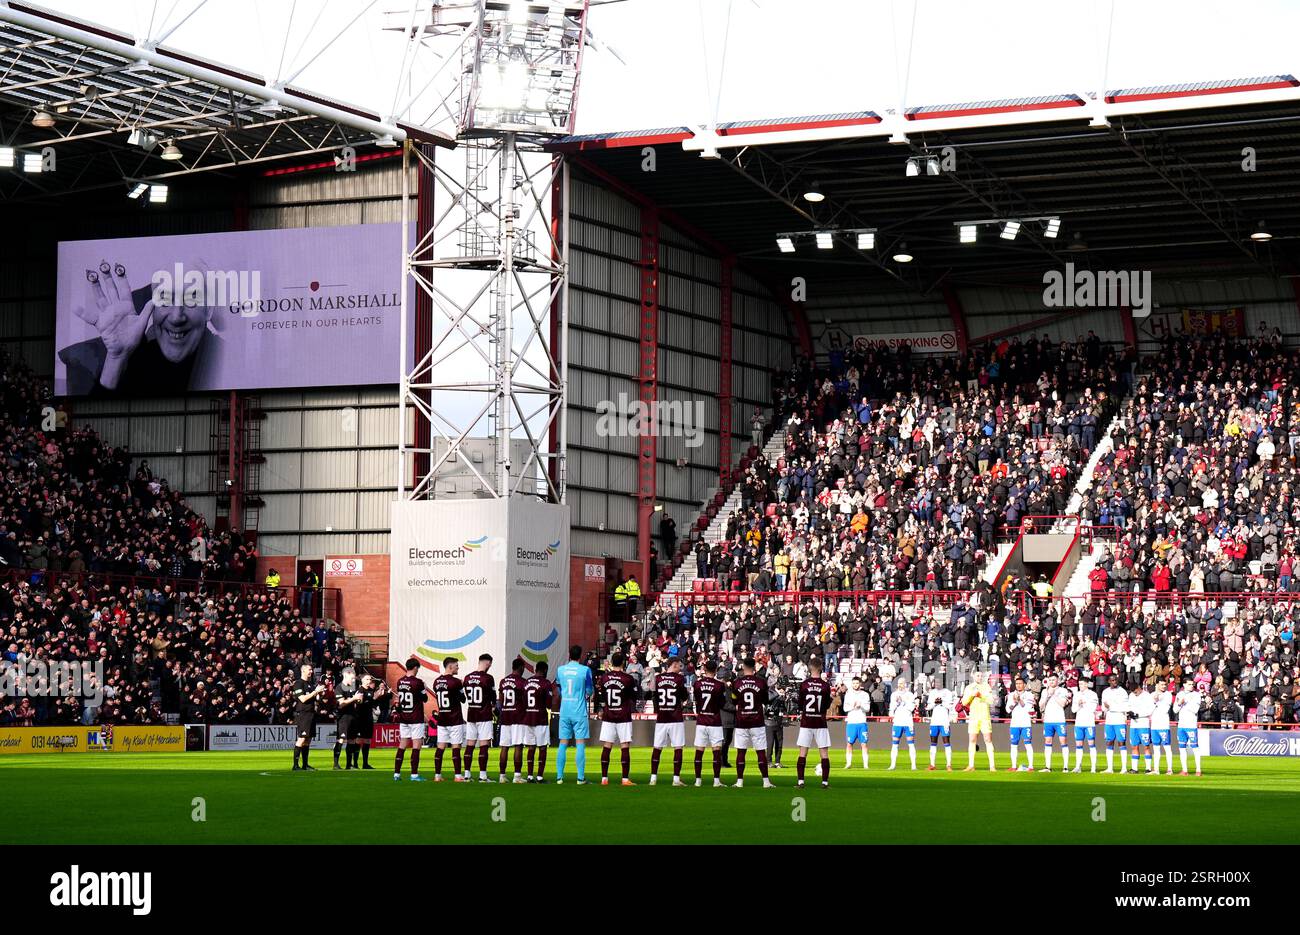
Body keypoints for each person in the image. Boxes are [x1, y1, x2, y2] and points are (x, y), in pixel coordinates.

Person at [596, 651, 638, 786]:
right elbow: (634, 697)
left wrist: (601, 708)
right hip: (623, 716)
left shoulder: (604, 678)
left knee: (607, 746)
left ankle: (604, 778)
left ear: (612, 662)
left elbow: (600, 695)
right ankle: (625, 779)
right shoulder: (628, 679)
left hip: (608, 715)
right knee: (624, 746)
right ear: (623, 663)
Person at [731, 658, 773, 788]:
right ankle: (766, 782)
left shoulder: (736, 682)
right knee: (761, 752)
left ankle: (739, 782)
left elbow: (733, 701)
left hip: (741, 721)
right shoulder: (761, 682)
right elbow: (766, 700)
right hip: (757, 721)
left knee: (741, 752)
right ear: (754, 667)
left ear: (743, 667)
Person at [554, 645, 593, 784]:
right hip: (579, 711)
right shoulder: (585, 670)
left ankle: (559, 777)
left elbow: (558, 689)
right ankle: (580, 778)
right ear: (580, 655)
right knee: (580, 743)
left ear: (569, 654)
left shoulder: (560, 670)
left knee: (563, 743)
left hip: (565, 711)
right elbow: (589, 691)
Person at [649, 657, 687, 786]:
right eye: (679, 665)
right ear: (674, 665)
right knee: (678, 748)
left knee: (657, 748)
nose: (680, 668)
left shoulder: (658, 678)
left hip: (662, 717)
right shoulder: (679, 679)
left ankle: (653, 778)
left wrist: (658, 709)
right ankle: (676, 779)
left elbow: (653, 695)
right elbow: (684, 696)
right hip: (675, 717)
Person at [795, 658, 832, 789]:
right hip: (820, 722)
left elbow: (800, 704)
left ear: (809, 669)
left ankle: (800, 782)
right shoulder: (825, 685)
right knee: (824, 754)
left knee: (803, 753)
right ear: (821, 667)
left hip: (806, 722)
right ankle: (825, 782)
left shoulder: (804, 685)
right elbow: (827, 704)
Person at [691, 659, 726, 787]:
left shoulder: (697, 684)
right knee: (716, 751)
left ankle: (698, 781)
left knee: (699, 751)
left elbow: (696, 699)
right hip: (715, 721)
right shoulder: (719, 685)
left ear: (704, 669)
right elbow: (722, 703)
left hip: (701, 721)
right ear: (716, 670)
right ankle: (716, 781)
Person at [392, 657, 428, 782]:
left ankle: (396, 774)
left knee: (402, 745)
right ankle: (414, 774)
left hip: (404, 717)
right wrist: (424, 687)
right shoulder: (418, 682)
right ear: (415, 668)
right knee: (416, 746)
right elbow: (425, 698)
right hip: (416, 717)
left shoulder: (400, 681)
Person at [461, 653, 495, 783]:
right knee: (483, 745)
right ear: (488, 663)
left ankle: (467, 775)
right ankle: (483, 776)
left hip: (471, 714)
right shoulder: (488, 678)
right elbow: (493, 697)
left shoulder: (467, 677)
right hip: (484, 714)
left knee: (470, 745)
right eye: (490, 664)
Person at [431, 658, 466, 782]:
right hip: (454, 718)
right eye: (456, 665)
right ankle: (457, 776)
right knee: (456, 747)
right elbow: (463, 699)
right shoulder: (456, 682)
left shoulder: (436, 682)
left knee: (440, 747)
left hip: (442, 719)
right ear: (450, 666)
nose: (458, 668)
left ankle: (437, 776)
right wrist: (461, 686)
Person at [498, 658, 528, 783]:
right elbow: (526, 701)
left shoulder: (503, 681)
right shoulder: (522, 682)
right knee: (518, 746)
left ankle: (502, 776)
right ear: (521, 667)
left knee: (504, 747)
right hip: (518, 717)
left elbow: (500, 700)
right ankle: (517, 776)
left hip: (505, 717)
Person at [522, 661, 554, 783]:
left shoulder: (527, 682)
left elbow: (523, 701)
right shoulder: (546, 683)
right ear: (545, 670)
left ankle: (530, 776)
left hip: (528, 718)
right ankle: (540, 776)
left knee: (531, 748)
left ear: (535, 670)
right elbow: (549, 705)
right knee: (542, 748)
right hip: (540, 719)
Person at [291, 662, 325, 771]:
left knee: (308, 740)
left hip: (311, 713)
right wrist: (315, 692)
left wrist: (320, 693)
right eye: (309, 670)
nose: (311, 672)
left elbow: (316, 699)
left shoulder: (310, 684)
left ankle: (305, 765)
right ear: (303, 670)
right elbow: (303, 699)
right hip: (303, 714)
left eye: (312, 670)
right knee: (301, 739)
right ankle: (295, 765)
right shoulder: (298, 683)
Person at [961, 671, 997, 771]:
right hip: (973, 717)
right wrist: (972, 695)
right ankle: (971, 765)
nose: (979, 677)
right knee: (972, 740)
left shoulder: (986, 687)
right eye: (977, 675)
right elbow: (964, 702)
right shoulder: (969, 688)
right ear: (973, 676)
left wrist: (981, 695)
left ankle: (992, 766)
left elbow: (991, 701)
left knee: (988, 740)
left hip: (985, 716)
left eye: (981, 676)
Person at [1039, 674, 1072, 773]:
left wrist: (1053, 694)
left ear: (1057, 680)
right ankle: (1047, 767)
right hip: (1048, 720)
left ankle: (1065, 767)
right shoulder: (1045, 691)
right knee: (1048, 742)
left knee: (1063, 742)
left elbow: (1062, 704)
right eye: (1050, 680)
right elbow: (1040, 705)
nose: (1052, 682)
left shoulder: (1063, 690)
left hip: (1059, 720)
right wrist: (1047, 696)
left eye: (1054, 680)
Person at [350, 673, 383, 769]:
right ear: (363, 680)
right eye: (367, 679)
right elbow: (358, 703)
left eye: (370, 680)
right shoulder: (360, 690)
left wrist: (379, 691)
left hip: (369, 718)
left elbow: (373, 699)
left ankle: (365, 763)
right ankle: (355, 763)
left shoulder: (370, 690)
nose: (369, 681)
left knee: (367, 740)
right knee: (359, 740)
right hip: (360, 719)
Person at [1173, 678, 1204, 776]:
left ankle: (1198, 770)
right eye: (1190, 684)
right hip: (1181, 725)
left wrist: (1185, 702)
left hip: (1191, 724)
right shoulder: (1179, 694)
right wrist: (1179, 703)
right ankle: (1184, 770)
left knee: (1195, 747)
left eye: (1192, 684)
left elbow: (1195, 709)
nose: (1192, 686)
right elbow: (1175, 710)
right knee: (1182, 747)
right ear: (1184, 685)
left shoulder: (1196, 695)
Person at [1100, 674, 1130, 774]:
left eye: (1115, 680)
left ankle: (1124, 768)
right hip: (1109, 720)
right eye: (1112, 680)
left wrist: (1111, 706)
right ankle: (1110, 768)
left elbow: (1125, 707)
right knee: (1109, 742)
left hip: (1119, 720)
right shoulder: (1105, 692)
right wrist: (1107, 707)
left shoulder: (1122, 692)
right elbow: (1104, 707)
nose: (1114, 682)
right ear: (1109, 681)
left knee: (1121, 742)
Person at [332, 667, 359, 770]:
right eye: (351, 678)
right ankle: (336, 764)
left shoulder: (352, 688)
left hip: (353, 716)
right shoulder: (339, 687)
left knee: (352, 740)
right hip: (344, 717)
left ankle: (349, 764)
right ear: (346, 676)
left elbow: (354, 701)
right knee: (341, 739)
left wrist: (358, 700)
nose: (353, 681)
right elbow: (341, 703)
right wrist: (353, 699)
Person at [888, 676, 918, 770]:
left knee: (911, 743)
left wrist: (903, 701)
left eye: (902, 683)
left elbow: (911, 708)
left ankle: (913, 765)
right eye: (899, 683)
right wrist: (894, 708)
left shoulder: (910, 694)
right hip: (897, 722)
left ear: (906, 684)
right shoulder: (894, 695)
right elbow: (891, 709)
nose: (901, 685)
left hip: (908, 722)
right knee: (895, 743)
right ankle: (892, 765)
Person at [841, 676, 872, 769]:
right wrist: (853, 706)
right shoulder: (848, 694)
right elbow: (845, 708)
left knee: (864, 744)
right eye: (854, 683)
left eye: (857, 683)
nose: (855, 685)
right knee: (849, 743)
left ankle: (866, 765)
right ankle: (848, 763)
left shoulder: (865, 695)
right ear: (852, 684)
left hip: (862, 722)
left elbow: (868, 709)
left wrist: (861, 706)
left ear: (860, 684)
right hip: (851, 722)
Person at [1006, 676, 1035, 772]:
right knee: (1013, 744)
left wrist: (1020, 700)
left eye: (1020, 683)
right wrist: (1014, 702)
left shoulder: (1029, 695)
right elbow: (1007, 710)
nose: (1018, 685)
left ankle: (1031, 766)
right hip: (1014, 723)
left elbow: (1027, 708)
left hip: (1025, 723)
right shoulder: (1011, 695)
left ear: (1024, 685)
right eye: (1017, 684)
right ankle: (1013, 766)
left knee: (1028, 743)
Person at [1128, 680, 1156, 775]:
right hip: (1133, 725)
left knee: (1146, 746)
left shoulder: (1147, 696)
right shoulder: (1131, 696)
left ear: (1139, 688)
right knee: (1134, 746)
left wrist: (1138, 714)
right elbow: (1129, 706)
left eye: (1135, 691)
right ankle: (1134, 768)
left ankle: (1148, 768)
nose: (1134, 694)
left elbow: (1150, 710)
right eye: (1133, 692)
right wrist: (1130, 713)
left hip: (1143, 723)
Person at [1071, 679, 1100, 773]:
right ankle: (1078, 766)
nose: (1080, 685)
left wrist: (1084, 703)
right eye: (1079, 683)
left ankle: (1093, 767)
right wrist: (1079, 704)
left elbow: (1093, 708)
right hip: (1079, 723)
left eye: (1082, 684)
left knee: (1091, 744)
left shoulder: (1092, 694)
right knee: (1078, 745)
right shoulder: (1077, 694)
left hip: (1089, 723)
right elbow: (1073, 710)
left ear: (1087, 684)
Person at [926, 683, 954, 771]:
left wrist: (942, 702)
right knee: (933, 742)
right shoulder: (932, 692)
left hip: (944, 721)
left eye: (939, 682)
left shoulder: (948, 692)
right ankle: (932, 764)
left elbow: (950, 706)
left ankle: (948, 765)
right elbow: (928, 707)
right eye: (936, 682)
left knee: (946, 742)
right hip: (934, 721)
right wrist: (934, 703)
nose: (937, 684)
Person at [1151, 680, 1175, 776]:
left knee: (1167, 747)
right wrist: (1155, 700)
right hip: (1154, 725)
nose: (1164, 686)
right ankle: (1156, 769)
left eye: (1165, 684)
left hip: (1163, 724)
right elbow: (1150, 707)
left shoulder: (1168, 695)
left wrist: (1156, 702)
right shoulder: (1152, 694)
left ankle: (1170, 769)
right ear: (1157, 685)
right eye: (1162, 684)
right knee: (1156, 748)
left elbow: (1164, 708)